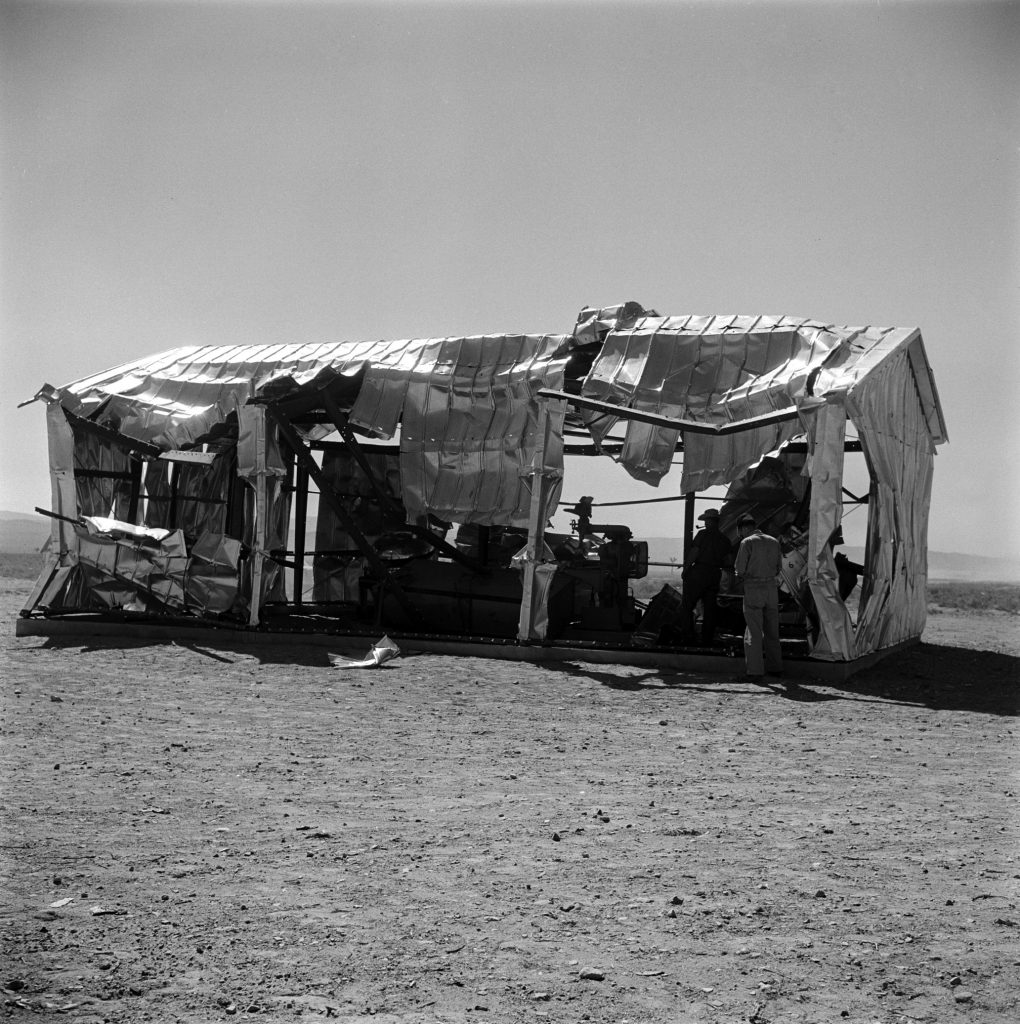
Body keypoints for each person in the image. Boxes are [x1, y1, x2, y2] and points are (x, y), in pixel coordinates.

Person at [734, 513, 783, 679]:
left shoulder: (747, 542)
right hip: (771, 589)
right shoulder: (774, 541)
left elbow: (740, 569)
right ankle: (775, 668)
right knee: (772, 630)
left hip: (754, 588)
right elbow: (778, 568)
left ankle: (755, 671)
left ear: (744, 528)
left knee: (754, 631)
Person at [678, 508, 733, 645]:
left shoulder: (702, 535)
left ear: (708, 521)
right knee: (710, 609)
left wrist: (686, 569)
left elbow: (694, 552)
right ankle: (706, 639)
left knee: (686, 606)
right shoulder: (725, 540)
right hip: (715, 574)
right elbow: (729, 561)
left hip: (699, 572)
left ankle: (688, 637)